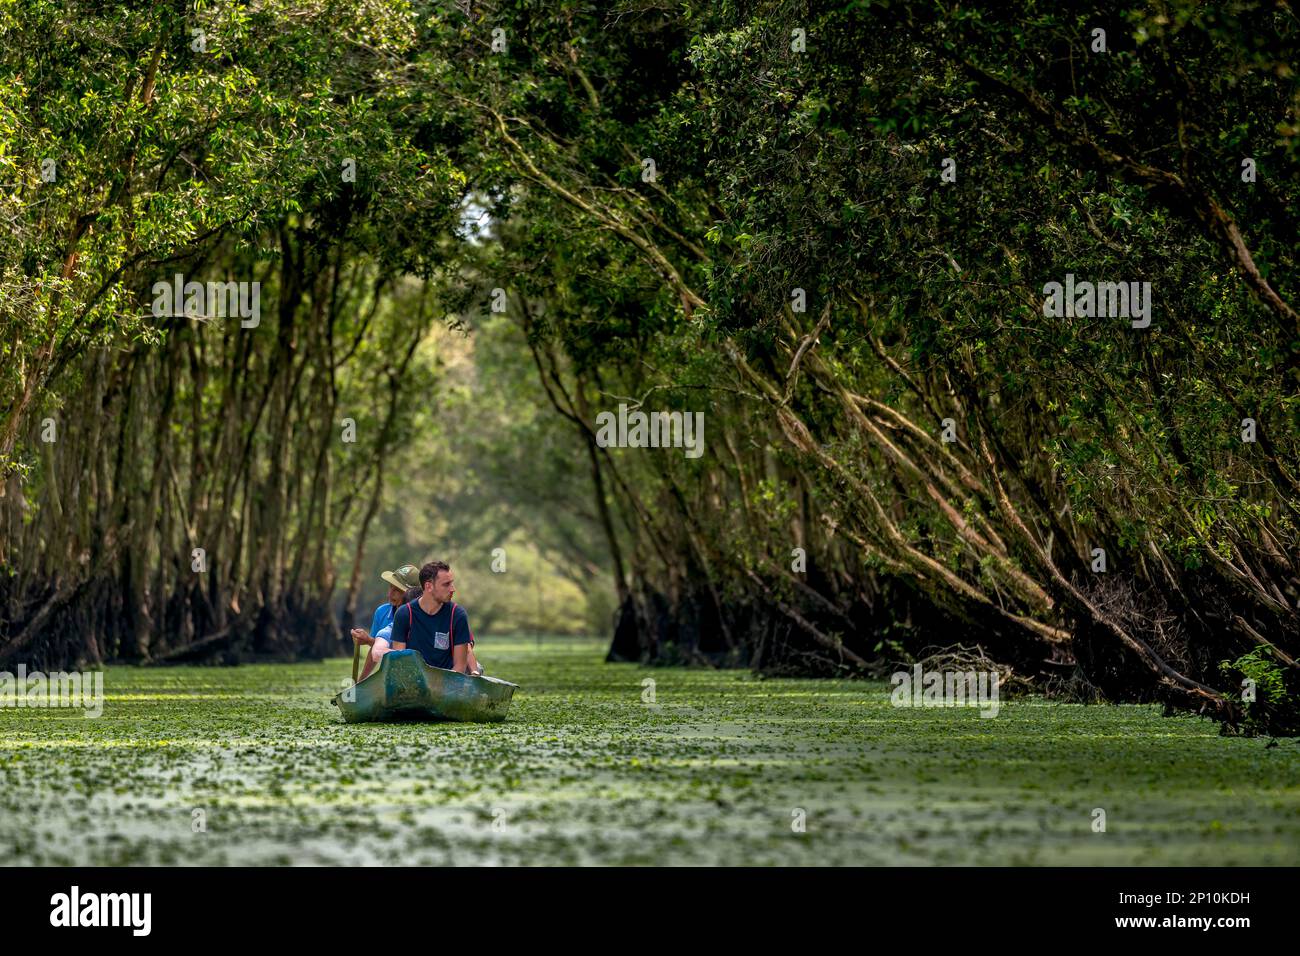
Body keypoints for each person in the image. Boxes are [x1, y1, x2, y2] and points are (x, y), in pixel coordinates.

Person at [367, 560, 483, 676]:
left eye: (451, 583)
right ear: (428, 586)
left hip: (449, 680)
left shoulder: (457, 615)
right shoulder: (404, 614)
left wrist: (440, 685)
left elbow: (460, 666)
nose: (453, 589)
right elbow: (399, 663)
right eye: (446, 584)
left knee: (474, 670)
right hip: (414, 680)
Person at [351, 564, 421, 680]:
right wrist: (360, 682)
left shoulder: (420, 615)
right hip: (393, 674)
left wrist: (369, 640)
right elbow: (375, 651)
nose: (390, 594)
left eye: (397, 590)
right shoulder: (381, 612)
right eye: (390, 588)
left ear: (411, 594)